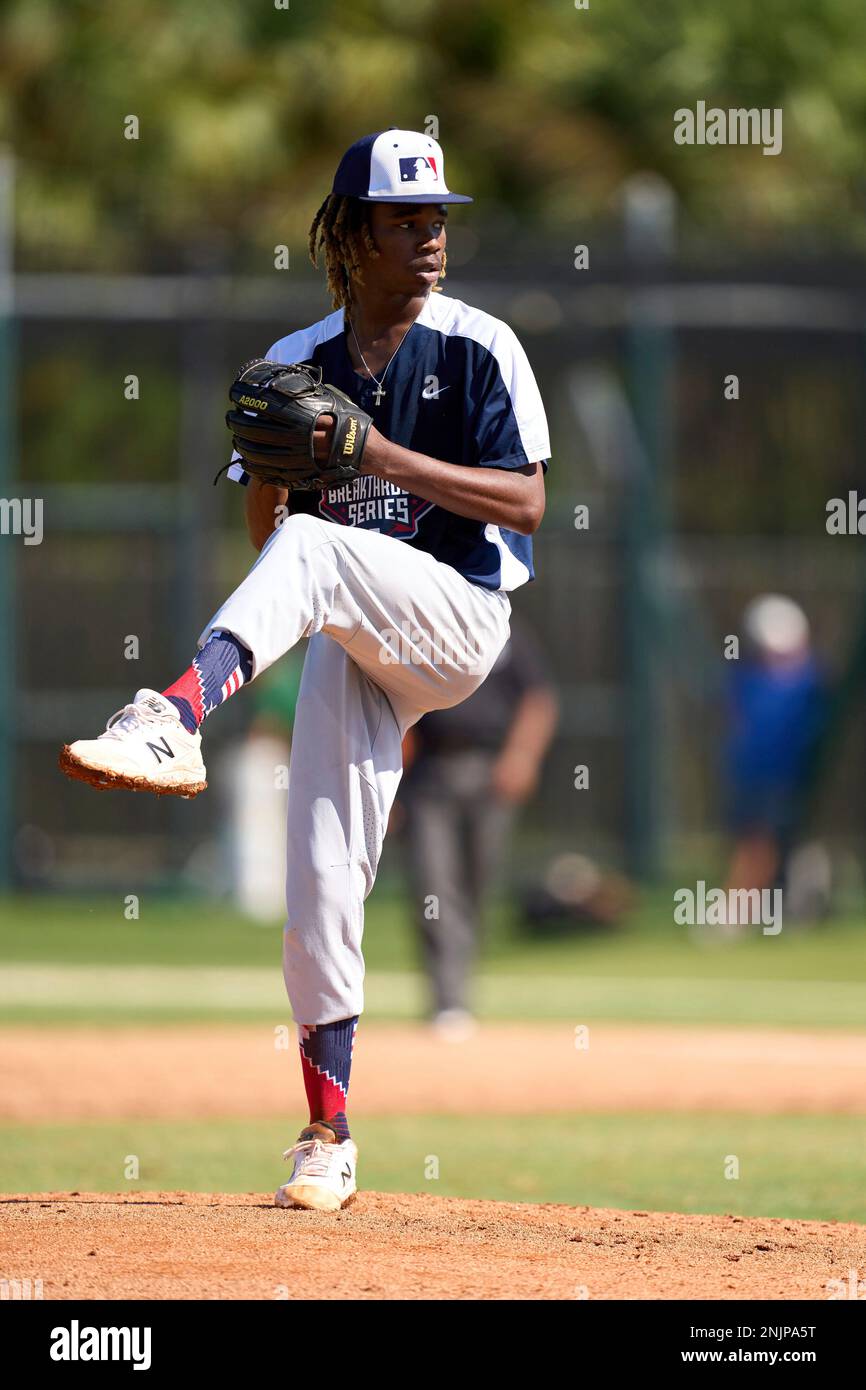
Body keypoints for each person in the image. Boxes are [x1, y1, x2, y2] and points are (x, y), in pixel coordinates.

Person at [58, 129, 551, 1212]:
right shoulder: (301, 361)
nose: (428, 238)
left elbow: (524, 505)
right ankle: (327, 1134)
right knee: (318, 881)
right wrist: (278, 465)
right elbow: (267, 537)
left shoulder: (480, 348)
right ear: (349, 233)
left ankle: (172, 715)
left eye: (437, 219)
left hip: (458, 620)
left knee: (322, 550)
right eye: (403, 220)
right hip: (353, 636)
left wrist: (372, 458)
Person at [399, 619, 557, 1038]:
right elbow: (396, 709)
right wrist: (391, 784)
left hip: (491, 773)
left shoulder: (503, 632)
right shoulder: (418, 633)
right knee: (433, 886)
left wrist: (522, 756)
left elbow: (538, 698)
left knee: (475, 885)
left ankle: (460, 990)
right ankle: (448, 1001)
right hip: (430, 775)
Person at [725, 594, 827, 912]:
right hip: (754, 779)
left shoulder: (813, 681)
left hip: (795, 779)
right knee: (756, 840)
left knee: (770, 843)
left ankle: (741, 911)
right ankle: (753, 908)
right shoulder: (745, 680)